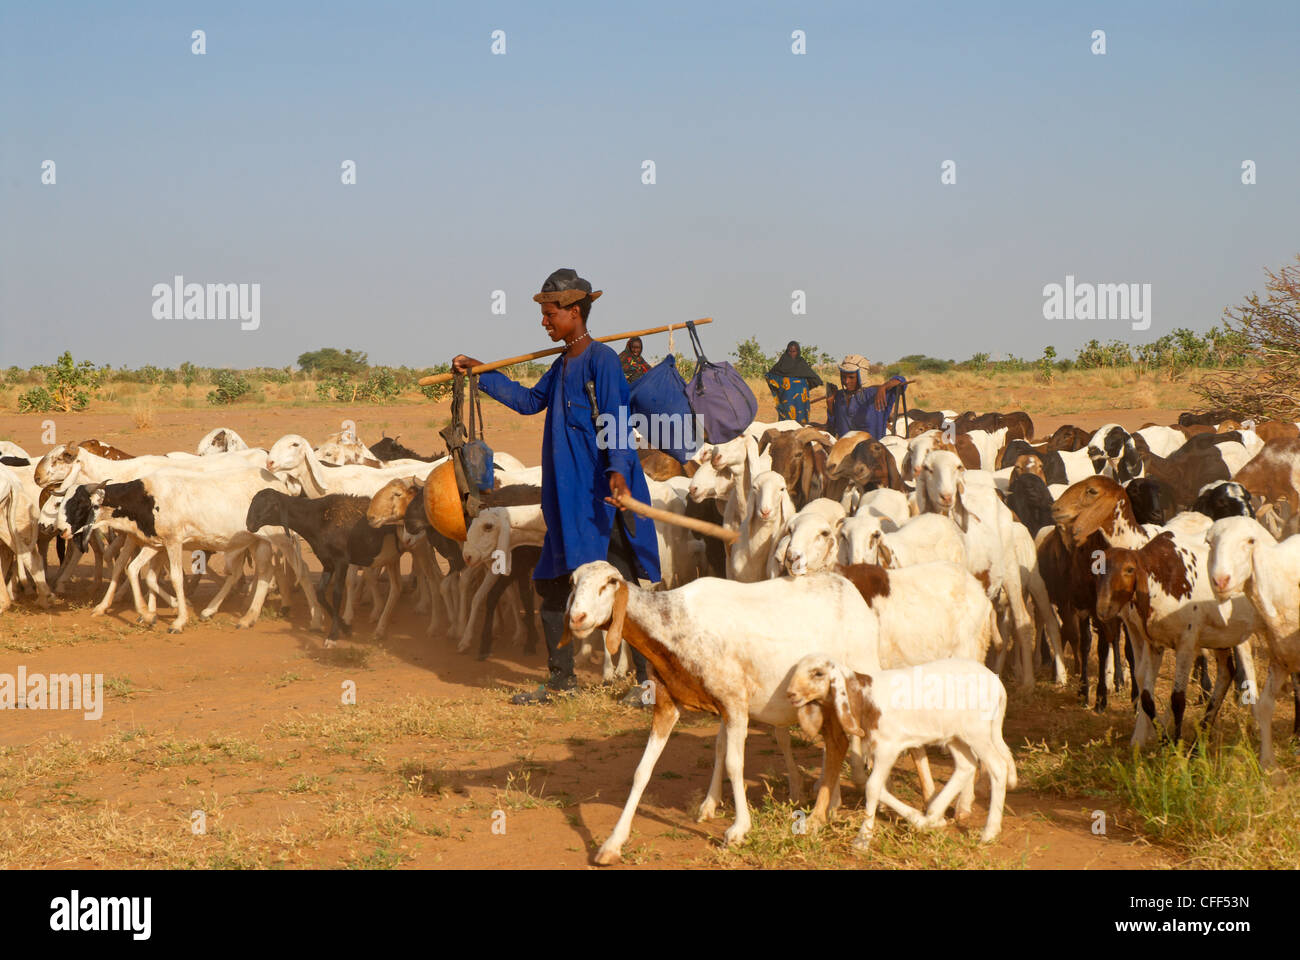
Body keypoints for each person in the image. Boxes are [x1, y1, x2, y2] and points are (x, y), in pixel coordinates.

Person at [452, 268, 660, 706]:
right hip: (566, 499)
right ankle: (561, 683)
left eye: (550, 314)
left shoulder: (602, 361)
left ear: (575, 311)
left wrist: (619, 471)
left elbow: (617, 421)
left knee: (624, 587)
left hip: (602, 497)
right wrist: (482, 373)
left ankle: (649, 684)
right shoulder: (562, 363)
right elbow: (530, 403)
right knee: (551, 584)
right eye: (544, 315)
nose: (544, 322)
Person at [826, 354, 906, 439]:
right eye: (843, 377)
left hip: (870, 449)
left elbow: (901, 381)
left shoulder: (874, 394)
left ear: (861, 376)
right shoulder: (839, 396)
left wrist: (884, 386)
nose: (846, 381)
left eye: (851, 377)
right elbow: (832, 428)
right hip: (846, 448)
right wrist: (830, 403)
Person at [765, 341, 822, 425]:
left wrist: (804, 389)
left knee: (801, 425)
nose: (791, 353)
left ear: (798, 351)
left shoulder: (802, 364)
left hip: (801, 402)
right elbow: (770, 377)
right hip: (787, 400)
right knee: (786, 424)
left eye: (794, 351)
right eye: (789, 351)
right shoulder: (782, 364)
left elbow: (815, 379)